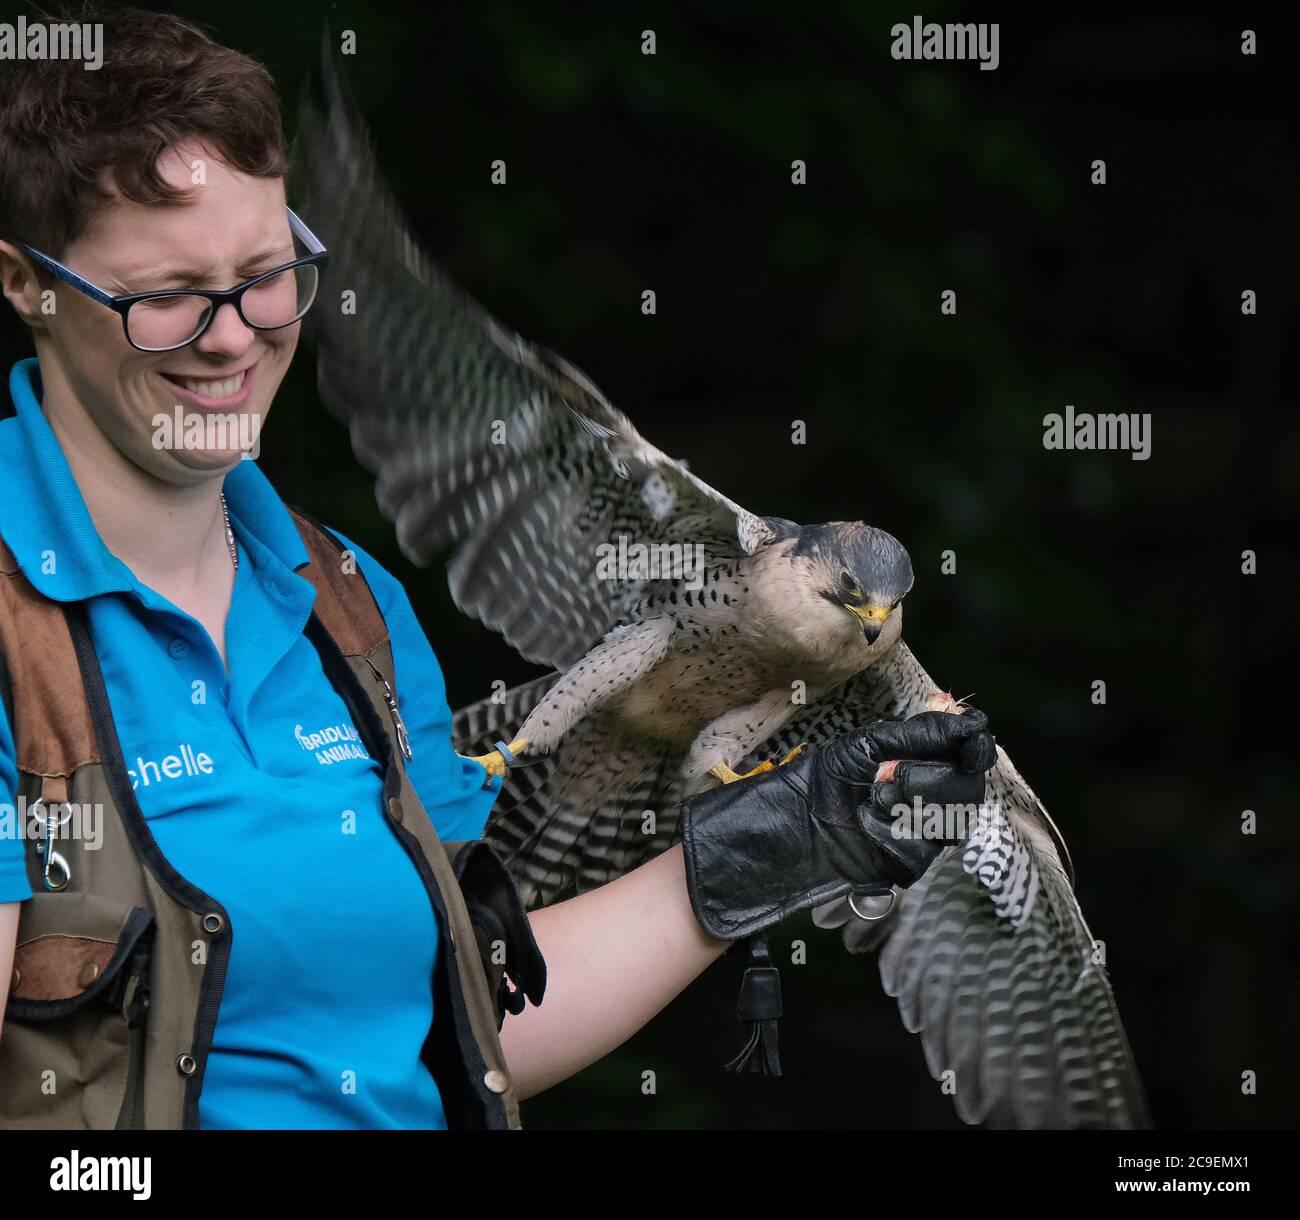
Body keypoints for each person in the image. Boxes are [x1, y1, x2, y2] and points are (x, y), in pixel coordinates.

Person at [0, 9, 997, 1129]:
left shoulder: (349, 608)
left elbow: (469, 1019)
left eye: (269, 275)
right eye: (166, 296)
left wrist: (758, 858)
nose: (233, 336)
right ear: (23, 283)